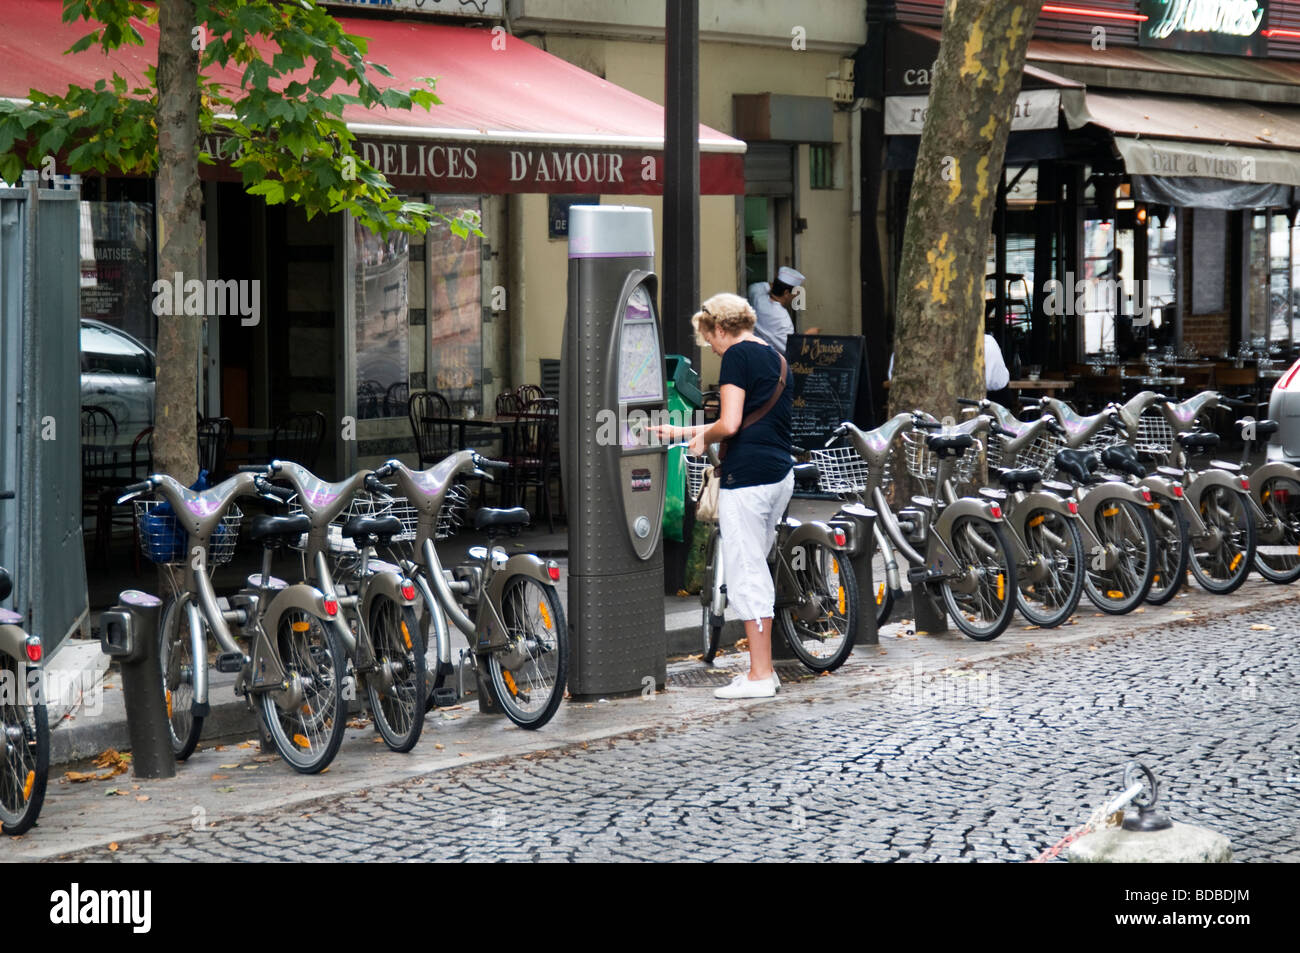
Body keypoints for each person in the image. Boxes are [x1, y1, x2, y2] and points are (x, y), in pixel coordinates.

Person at [651, 292, 794, 699]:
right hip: (779, 475)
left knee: (747, 572)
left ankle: (760, 674)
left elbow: (729, 424)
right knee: (756, 566)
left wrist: (702, 440)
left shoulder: (736, 356)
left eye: (708, 338)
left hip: (747, 478)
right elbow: (750, 419)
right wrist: (684, 434)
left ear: (719, 328)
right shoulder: (775, 355)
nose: (711, 347)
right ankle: (763, 670)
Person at [886, 333, 1010, 394]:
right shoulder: (986, 343)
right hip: (976, 418)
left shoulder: (907, 345)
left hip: (918, 423)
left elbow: (894, 379)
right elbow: (999, 382)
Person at [747, 266, 816, 355]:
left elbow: (755, 287)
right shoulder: (783, 319)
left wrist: (778, 284)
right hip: (769, 362)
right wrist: (807, 335)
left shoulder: (758, 298)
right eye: (795, 293)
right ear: (786, 293)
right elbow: (793, 350)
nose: (795, 296)